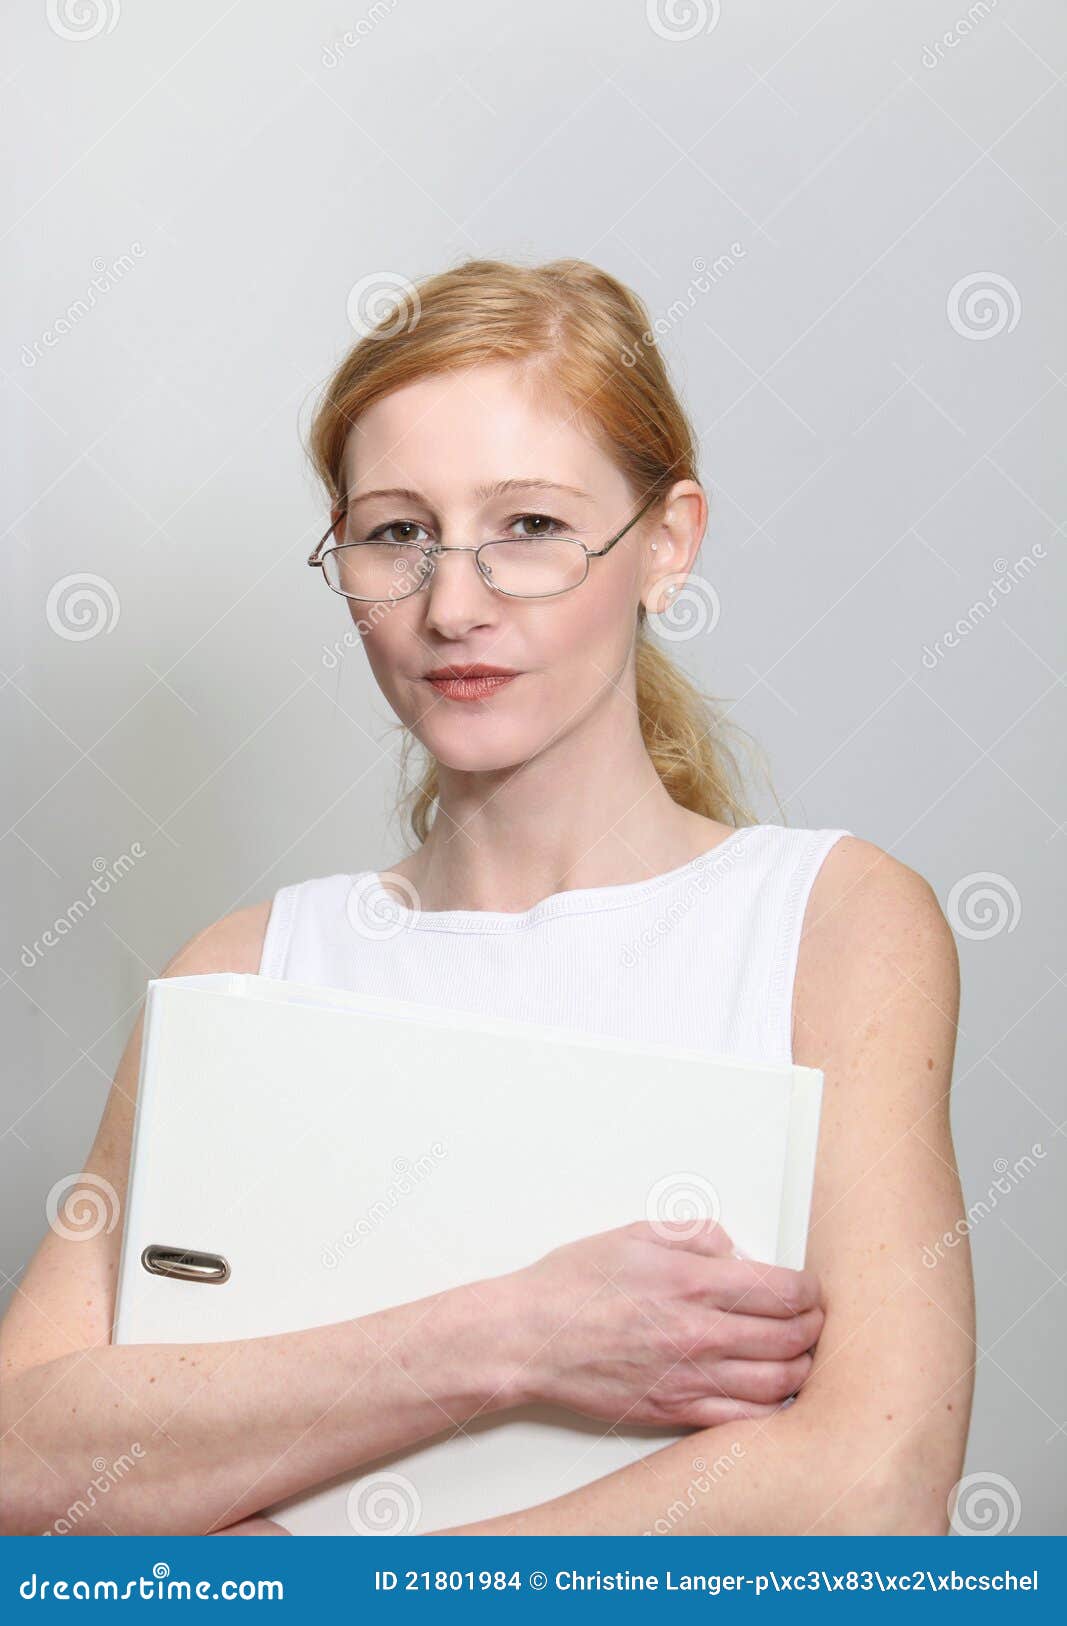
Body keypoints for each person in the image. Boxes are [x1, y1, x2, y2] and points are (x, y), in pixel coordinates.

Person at [1, 258, 973, 1537]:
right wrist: (509, 1337)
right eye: (398, 534)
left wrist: (314, 1588)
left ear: (666, 543)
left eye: (529, 527)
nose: (452, 607)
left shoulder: (834, 927)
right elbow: (20, 1468)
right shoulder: (239, 972)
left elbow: (872, 1485)